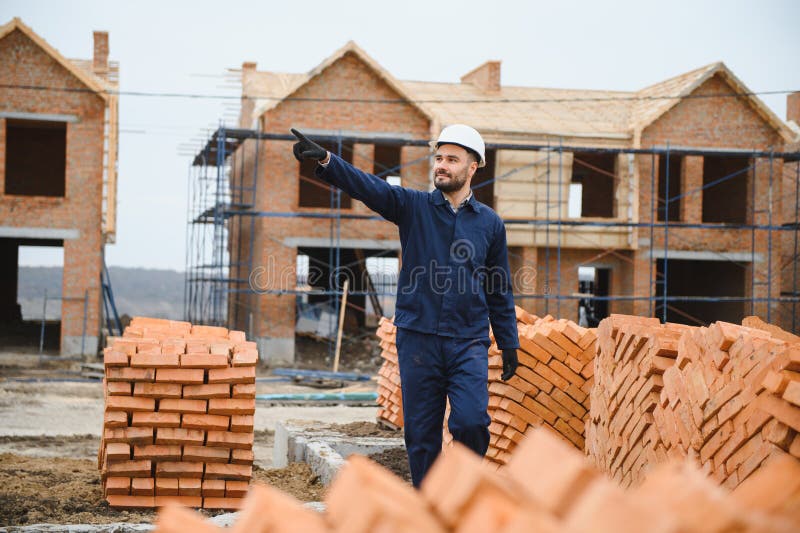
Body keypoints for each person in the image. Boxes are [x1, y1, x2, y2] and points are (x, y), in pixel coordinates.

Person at [291, 125, 519, 488]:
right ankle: (427, 505)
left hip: (467, 340)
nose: (441, 165)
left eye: (452, 159)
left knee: (472, 422)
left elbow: (498, 287)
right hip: (418, 339)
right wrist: (328, 161)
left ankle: (461, 492)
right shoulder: (414, 207)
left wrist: (509, 342)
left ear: (473, 166)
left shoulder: (490, 224)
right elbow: (370, 187)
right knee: (422, 433)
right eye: (439, 158)